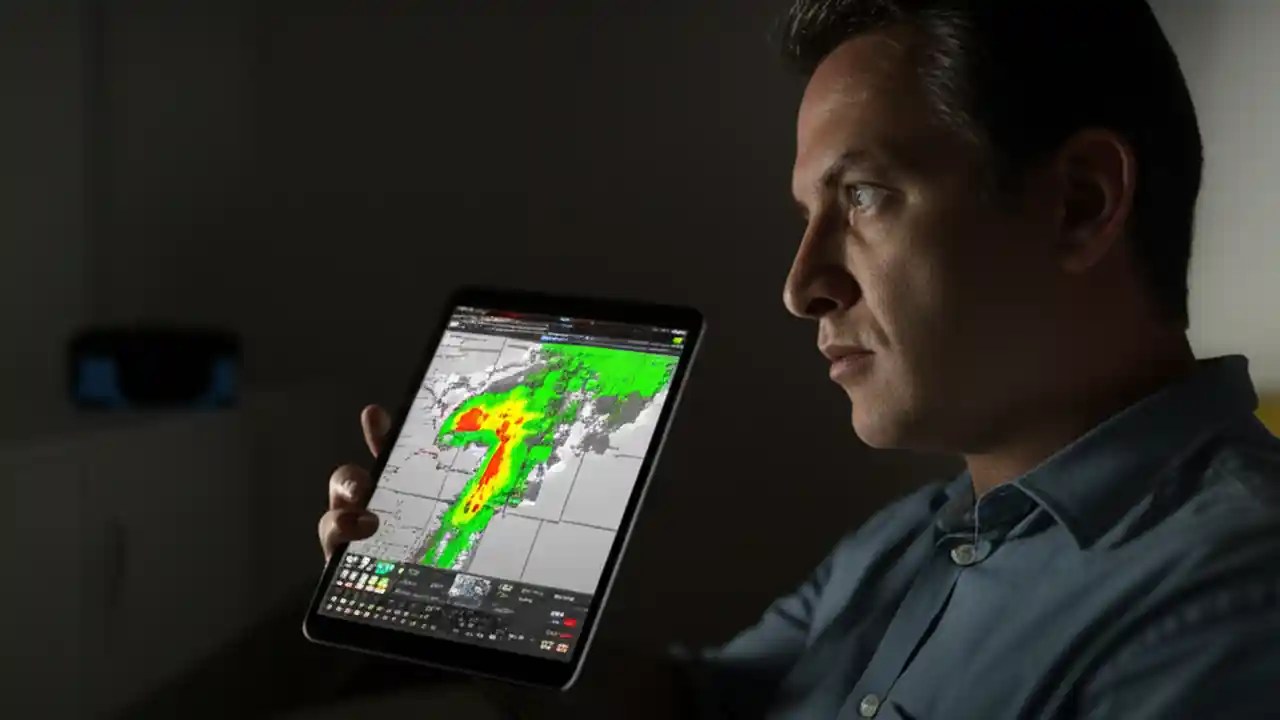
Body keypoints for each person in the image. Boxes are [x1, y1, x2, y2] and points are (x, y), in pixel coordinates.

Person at [318, 0, 1280, 717]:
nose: (801, 284)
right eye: (807, 213)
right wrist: (462, 592)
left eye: (861, 196)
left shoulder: (1232, 604)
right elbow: (696, 702)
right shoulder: (913, 537)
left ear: (1079, 204)